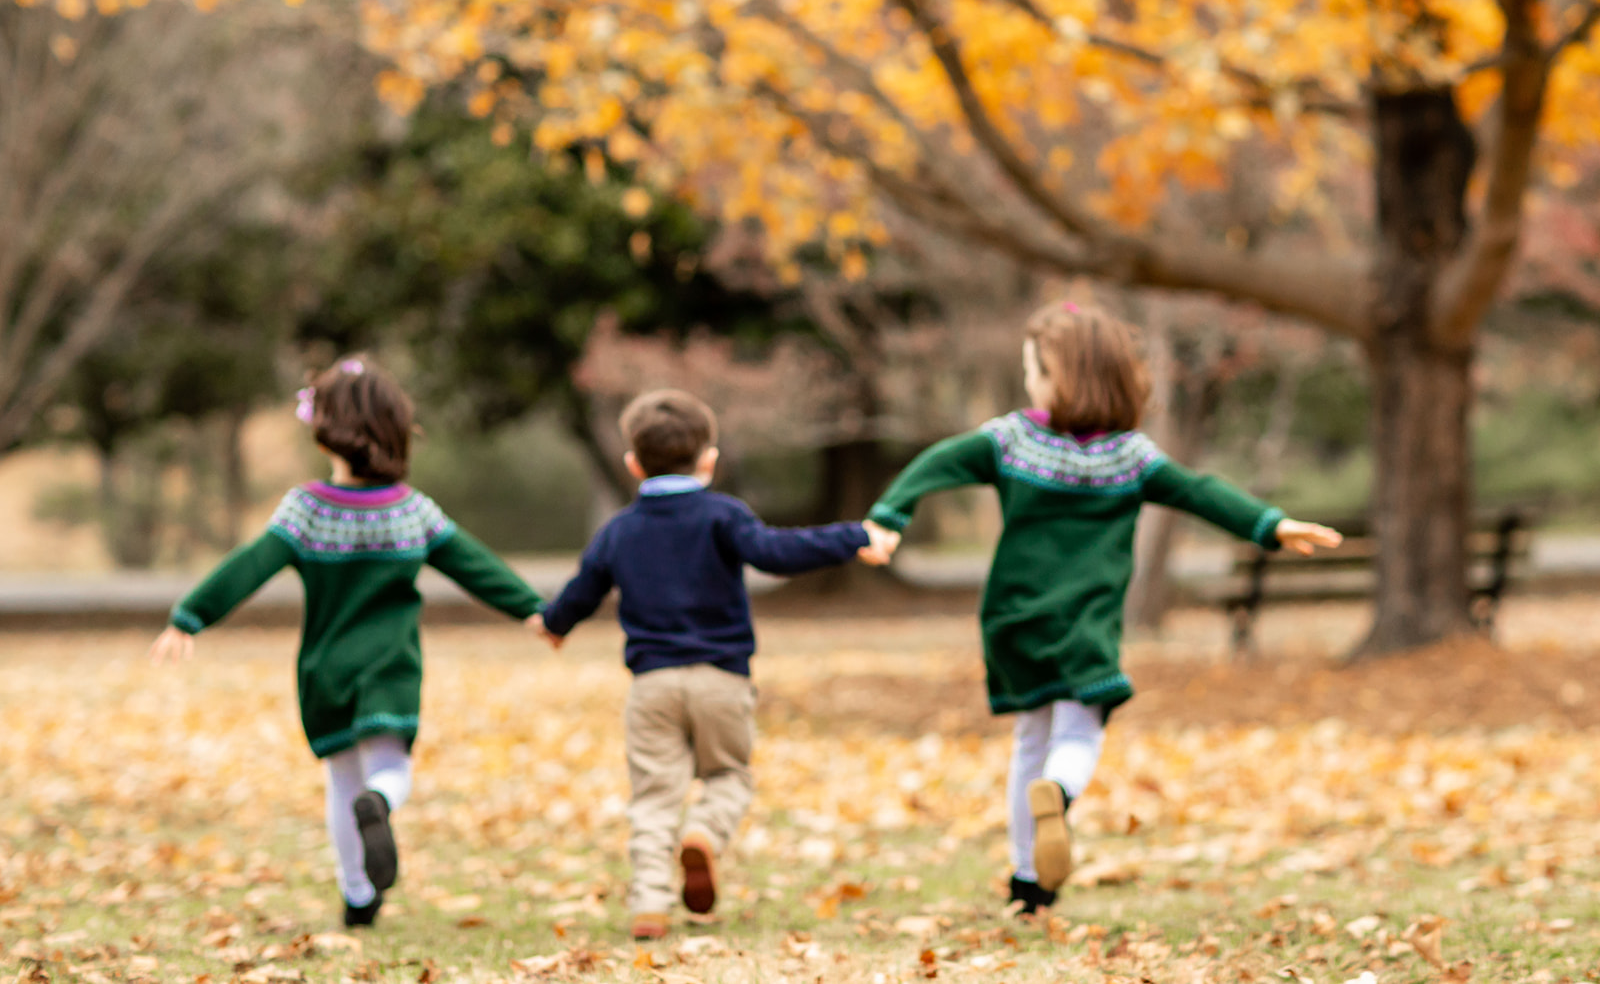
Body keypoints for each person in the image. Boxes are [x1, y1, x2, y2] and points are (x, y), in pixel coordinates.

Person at [862, 302, 1342, 915]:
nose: (1029, 382)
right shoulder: (1129, 458)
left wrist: (890, 515)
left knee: (1029, 742)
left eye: (1035, 369)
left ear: (1063, 377)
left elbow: (936, 461)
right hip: (1084, 623)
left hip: (1013, 620)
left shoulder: (1009, 440)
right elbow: (1198, 491)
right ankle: (1059, 797)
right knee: (1078, 735)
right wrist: (1269, 525)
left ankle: (1028, 883)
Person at [149, 357, 545, 928]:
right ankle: (381, 803)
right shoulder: (411, 510)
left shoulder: (306, 510)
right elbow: (474, 565)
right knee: (389, 767)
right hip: (391, 666)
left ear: (323, 430)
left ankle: (358, 895)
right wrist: (533, 609)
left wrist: (190, 616)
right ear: (395, 429)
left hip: (324, 668)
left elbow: (250, 565)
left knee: (340, 778)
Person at [534, 389, 894, 941]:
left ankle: (650, 903)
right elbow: (776, 552)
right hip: (722, 679)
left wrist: (554, 625)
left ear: (632, 464)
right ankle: (703, 832)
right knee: (729, 776)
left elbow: (582, 590)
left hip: (652, 685)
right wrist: (854, 537)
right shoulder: (723, 515)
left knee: (654, 796)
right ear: (709, 458)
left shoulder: (619, 530)